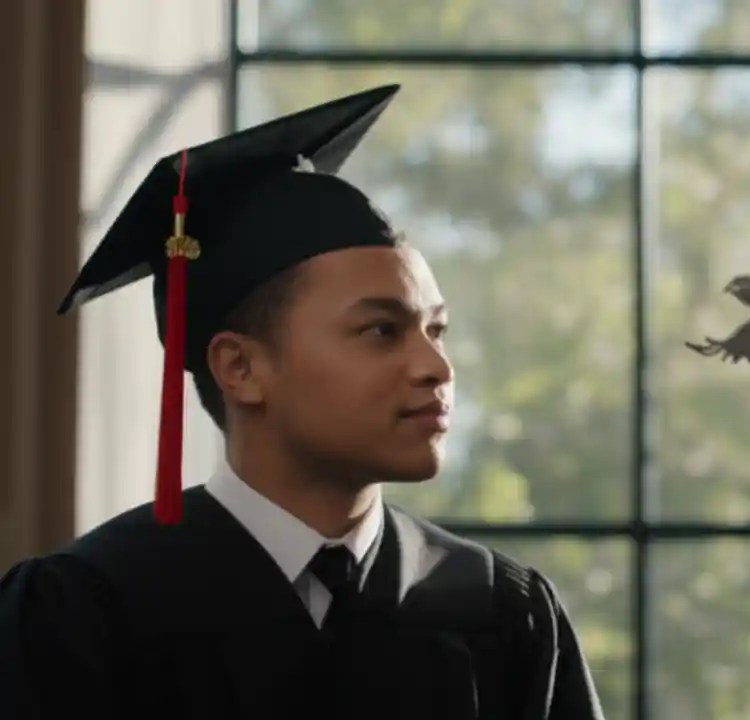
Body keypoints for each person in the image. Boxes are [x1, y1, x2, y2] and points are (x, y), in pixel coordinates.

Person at [0, 84, 606, 719]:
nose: (436, 366)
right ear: (240, 368)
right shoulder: (87, 612)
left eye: (437, 330)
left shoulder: (501, 611)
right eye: (382, 331)